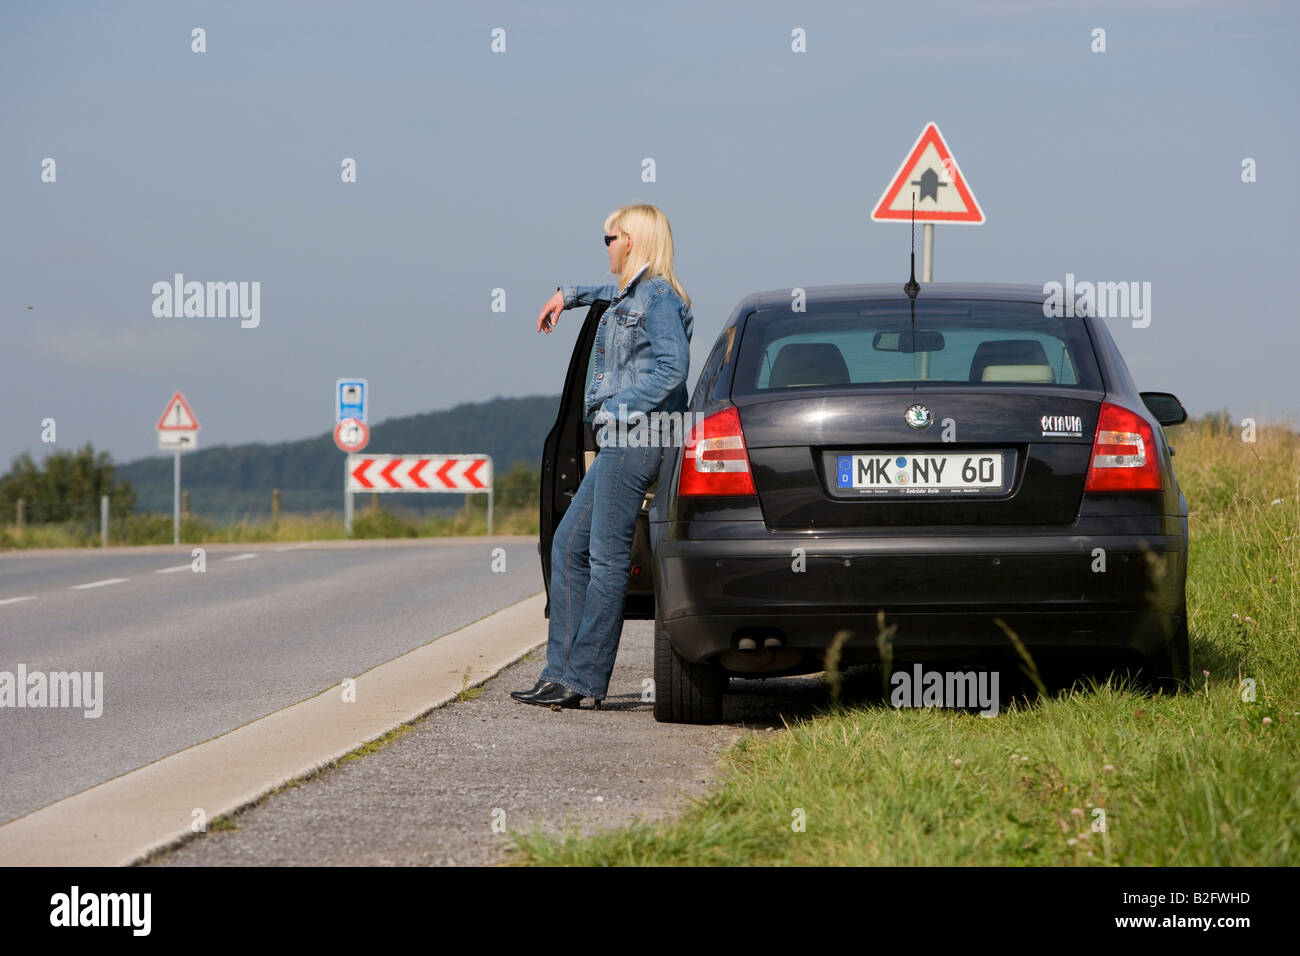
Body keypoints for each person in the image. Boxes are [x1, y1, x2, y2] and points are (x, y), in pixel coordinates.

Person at [512, 203, 694, 710]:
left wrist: (617, 407)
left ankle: (583, 680)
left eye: (608, 239)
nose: (606, 247)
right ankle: (559, 673)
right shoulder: (634, 294)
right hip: (624, 439)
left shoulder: (658, 297)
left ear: (630, 241)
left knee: (606, 559)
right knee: (568, 545)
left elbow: (674, 368)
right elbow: (609, 294)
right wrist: (568, 296)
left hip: (639, 436)